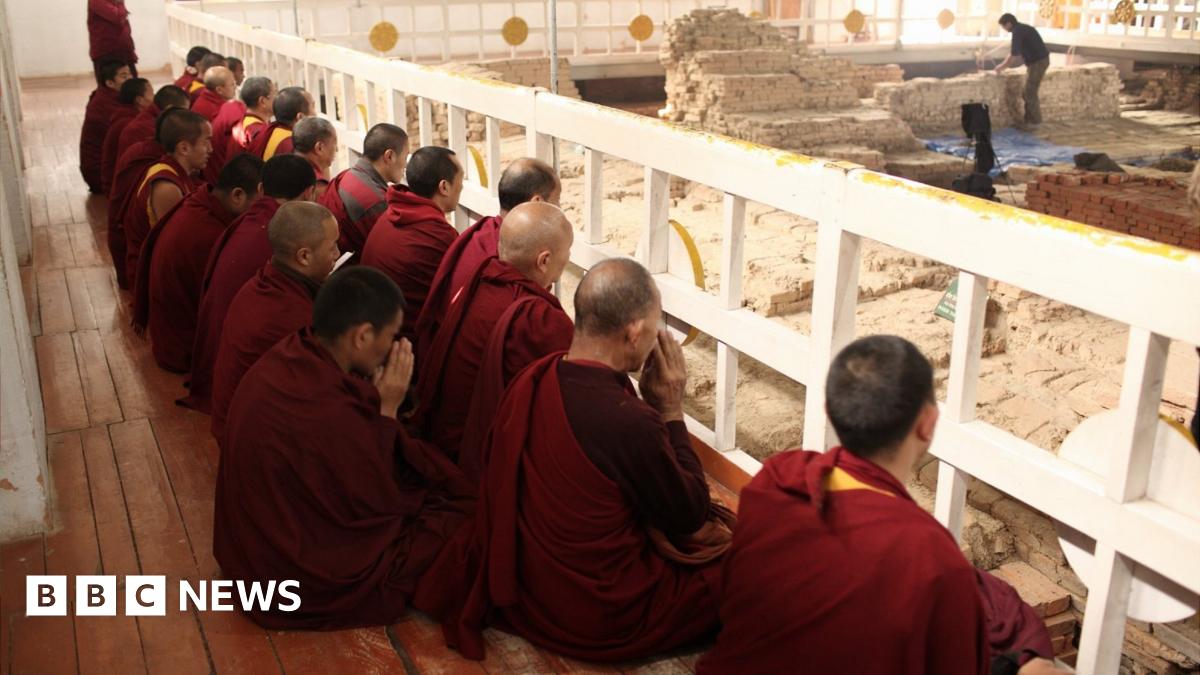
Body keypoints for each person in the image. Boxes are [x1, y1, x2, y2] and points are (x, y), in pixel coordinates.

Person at [696, 335, 1062, 675]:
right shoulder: (928, 552)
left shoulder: (777, 480)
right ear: (928, 424)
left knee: (986, 596)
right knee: (1023, 638)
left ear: (829, 410)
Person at [416, 258, 723, 661]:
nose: (653, 340)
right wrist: (670, 411)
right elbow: (688, 514)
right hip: (603, 611)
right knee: (743, 568)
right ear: (633, 332)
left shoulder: (535, 378)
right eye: (653, 328)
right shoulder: (630, 421)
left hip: (529, 591)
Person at [213, 266, 474, 630]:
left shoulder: (294, 350)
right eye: (392, 336)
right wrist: (387, 410)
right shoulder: (329, 412)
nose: (395, 347)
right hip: (293, 572)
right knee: (451, 518)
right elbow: (377, 502)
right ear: (363, 337)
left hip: (249, 551)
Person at [411, 202, 574, 476]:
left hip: (440, 435)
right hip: (474, 461)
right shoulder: (539, 321)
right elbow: (570, 398)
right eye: (567, 251)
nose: (568, 258)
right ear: (544, 260)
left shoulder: (482, 278)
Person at [181, 155, 317, 413]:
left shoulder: (250, 219)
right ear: (309, 194)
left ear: (262, 190)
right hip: (237, 375)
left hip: (216, 351)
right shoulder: (281, 236)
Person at [210, 202, 340, 442]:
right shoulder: (293, 319)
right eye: (332, 247)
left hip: (237, 418)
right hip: (253, 440)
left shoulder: (263, 281)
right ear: (304, 256)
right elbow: (324, 397)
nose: (337, 254)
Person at [133, 155, 264, 373]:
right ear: (237, 195)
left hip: (169, 332)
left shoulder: (202, 200)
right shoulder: (206, 233)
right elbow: (227, 303)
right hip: (185, 349)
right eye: (260, 202)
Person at [415, 157, 559, 351]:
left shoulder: (482, 232)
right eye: (557, 201)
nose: (560, 209)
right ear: (537, 202)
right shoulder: (511, 256)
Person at [361, 146, 463, 343]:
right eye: (460, 179)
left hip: (372, 322)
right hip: (402, 343)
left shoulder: (393, 212)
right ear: (444, 187)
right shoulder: (438, 234)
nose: (462, 186)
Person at [122, 109, 212, 289]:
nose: (211, 149)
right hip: (154, 276)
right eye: (206, 142)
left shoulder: (174, 170)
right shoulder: (167, 187)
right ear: (184, 148)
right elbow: (175, 246)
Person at [319, 123, 407, 254]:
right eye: (405, 157)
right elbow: (389, 253)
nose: (405, 164)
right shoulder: (375, 201)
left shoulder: (348, 174)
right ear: (389, 156)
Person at [80, 59, 131, 193]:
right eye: (124, 76)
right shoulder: (104, 104)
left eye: (130, 74)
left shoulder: (109, 96)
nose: (131, 79)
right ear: (109, 83)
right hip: (99, 175)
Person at [996, 13, 1050, 128]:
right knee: (1027, 92)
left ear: (1009, 24)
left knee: (1030, 92)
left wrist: (1002, 66)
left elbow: (1014, 54)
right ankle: (1029, 120)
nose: (1004, 29)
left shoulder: (1018, 32)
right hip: (1036, 61)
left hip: (1038, 62)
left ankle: (1035, 122)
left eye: (1003, 26)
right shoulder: (1022, 28)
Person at [99, 76, 152, 195]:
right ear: (139, 100)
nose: (155, 98)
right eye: (152, 93)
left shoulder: (127, 115)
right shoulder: (130, 124)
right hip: (117, 187)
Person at [214, 76, 274, 164]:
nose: (277, 99)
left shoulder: (244, 122)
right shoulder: (257, 131)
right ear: (262, 101)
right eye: (274, 94)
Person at [246, 86, 313, 161]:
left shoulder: (271, 131)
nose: (315, 113)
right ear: (300, 117)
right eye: (313, 107)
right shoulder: (294, 146)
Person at [87, 0, 137, 85]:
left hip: (122, 49)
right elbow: (117, 16)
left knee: (133, 88)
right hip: (107, 52)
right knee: (110, 90)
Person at [291, 116, 338, 197]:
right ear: (319, 148)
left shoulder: (286, 166)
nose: (337, 149)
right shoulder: (317, 186)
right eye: (334, 144)